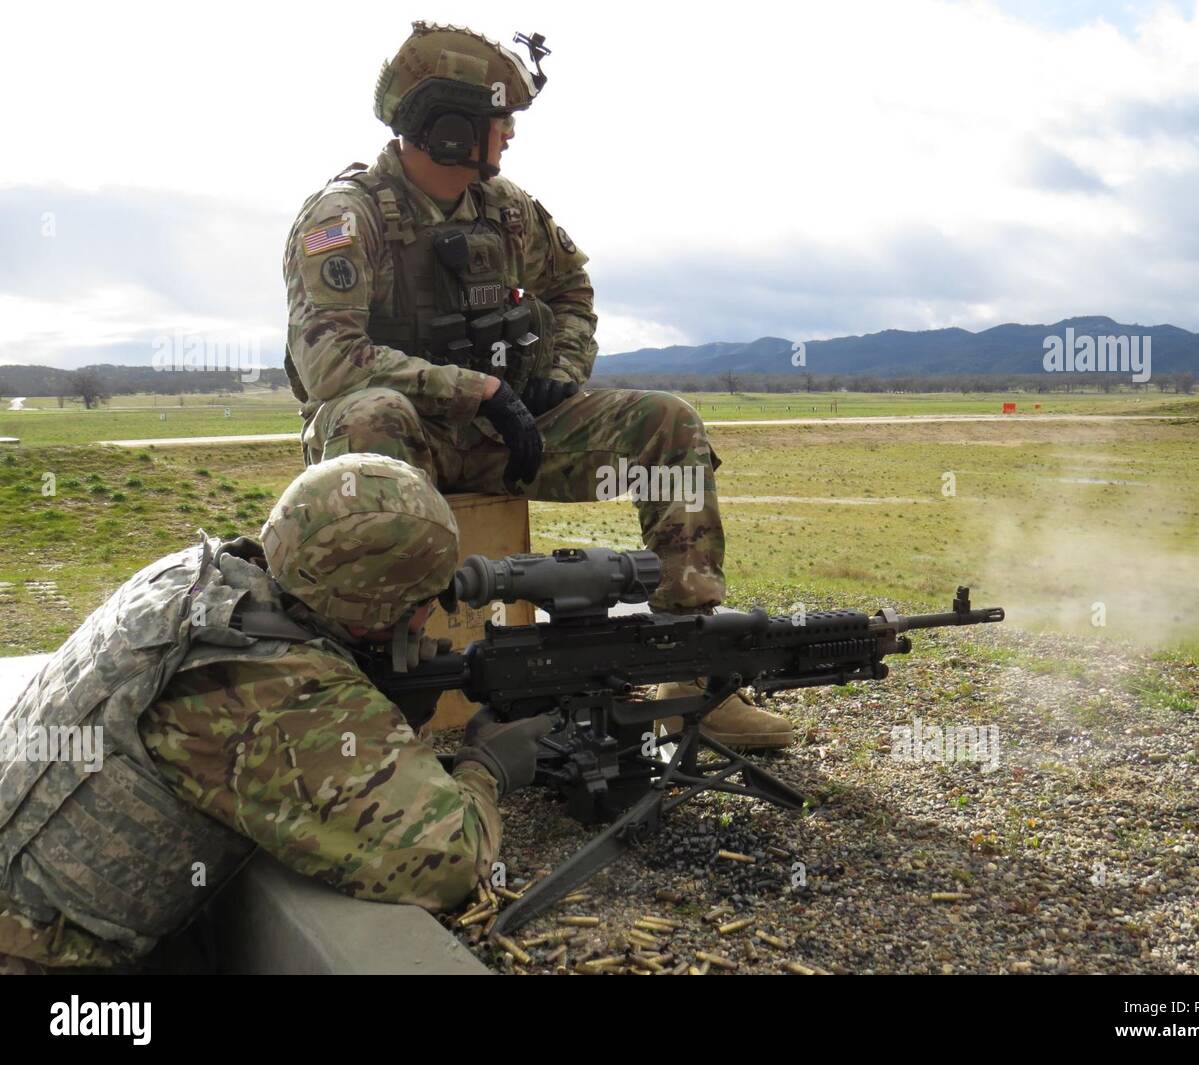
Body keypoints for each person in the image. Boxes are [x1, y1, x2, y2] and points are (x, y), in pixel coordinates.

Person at [282, 22, 793, 749]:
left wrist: (560, 371)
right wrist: (477, 392)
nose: (511, 134)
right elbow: (329, 360)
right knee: (373, 412)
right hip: (395, 444)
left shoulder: (510, 210)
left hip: (503, 432)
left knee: (669, 423)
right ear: (450, 127)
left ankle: (696, 677)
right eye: (500, 119)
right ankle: (379, 695)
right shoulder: (345, 218)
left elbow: (572, 288)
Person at [0, 454, 549, 972]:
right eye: (426, 602)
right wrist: (488, 767)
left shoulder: (194, 576)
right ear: (373, 616)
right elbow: (449, 860)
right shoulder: (274, 683)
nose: (430, 614)